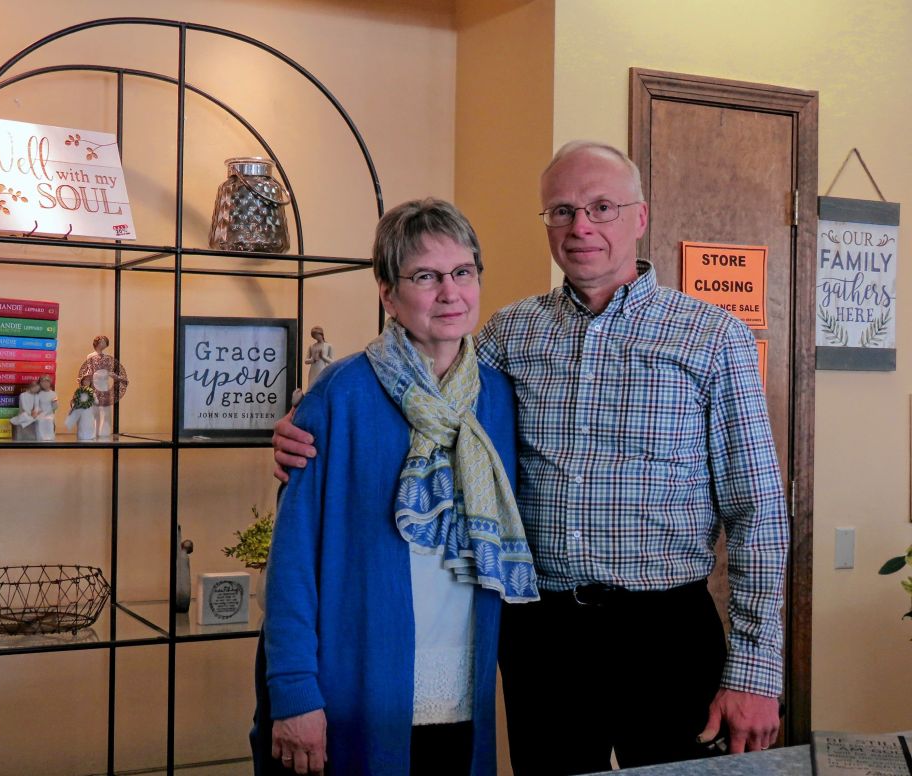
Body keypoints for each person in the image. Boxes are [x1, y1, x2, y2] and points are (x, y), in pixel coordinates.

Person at [272, 141, 789, 774]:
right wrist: (304, 420)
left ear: (641, 216)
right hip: (543, 636)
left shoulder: (714, 338)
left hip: (668, 634)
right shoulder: (509, 337)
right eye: (562, 211)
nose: (582, 227)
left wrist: (757, 671)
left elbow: (759, 514)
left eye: (602, 207)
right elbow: (421, 377)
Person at [252, 198, 538, 776]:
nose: (449, 292)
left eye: (463, 273)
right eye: (426, 277)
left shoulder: (499, 398)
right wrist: (294, 694)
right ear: (388, 294)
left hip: (463, 684)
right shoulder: (341, 393)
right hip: (352, 683)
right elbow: (292, 563)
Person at [33, 375, 58, 441]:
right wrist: (36, 413)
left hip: (49, 414)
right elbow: (36, 406)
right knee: (40, 421)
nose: (45, 384)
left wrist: (49, 411)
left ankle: (50, 439)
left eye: (47, 382)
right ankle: (41, 439)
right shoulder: (38, 394)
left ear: (50, 383)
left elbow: (55, 406)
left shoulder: (53, 394)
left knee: (49, 421)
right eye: (43, 382)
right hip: (40, 414)